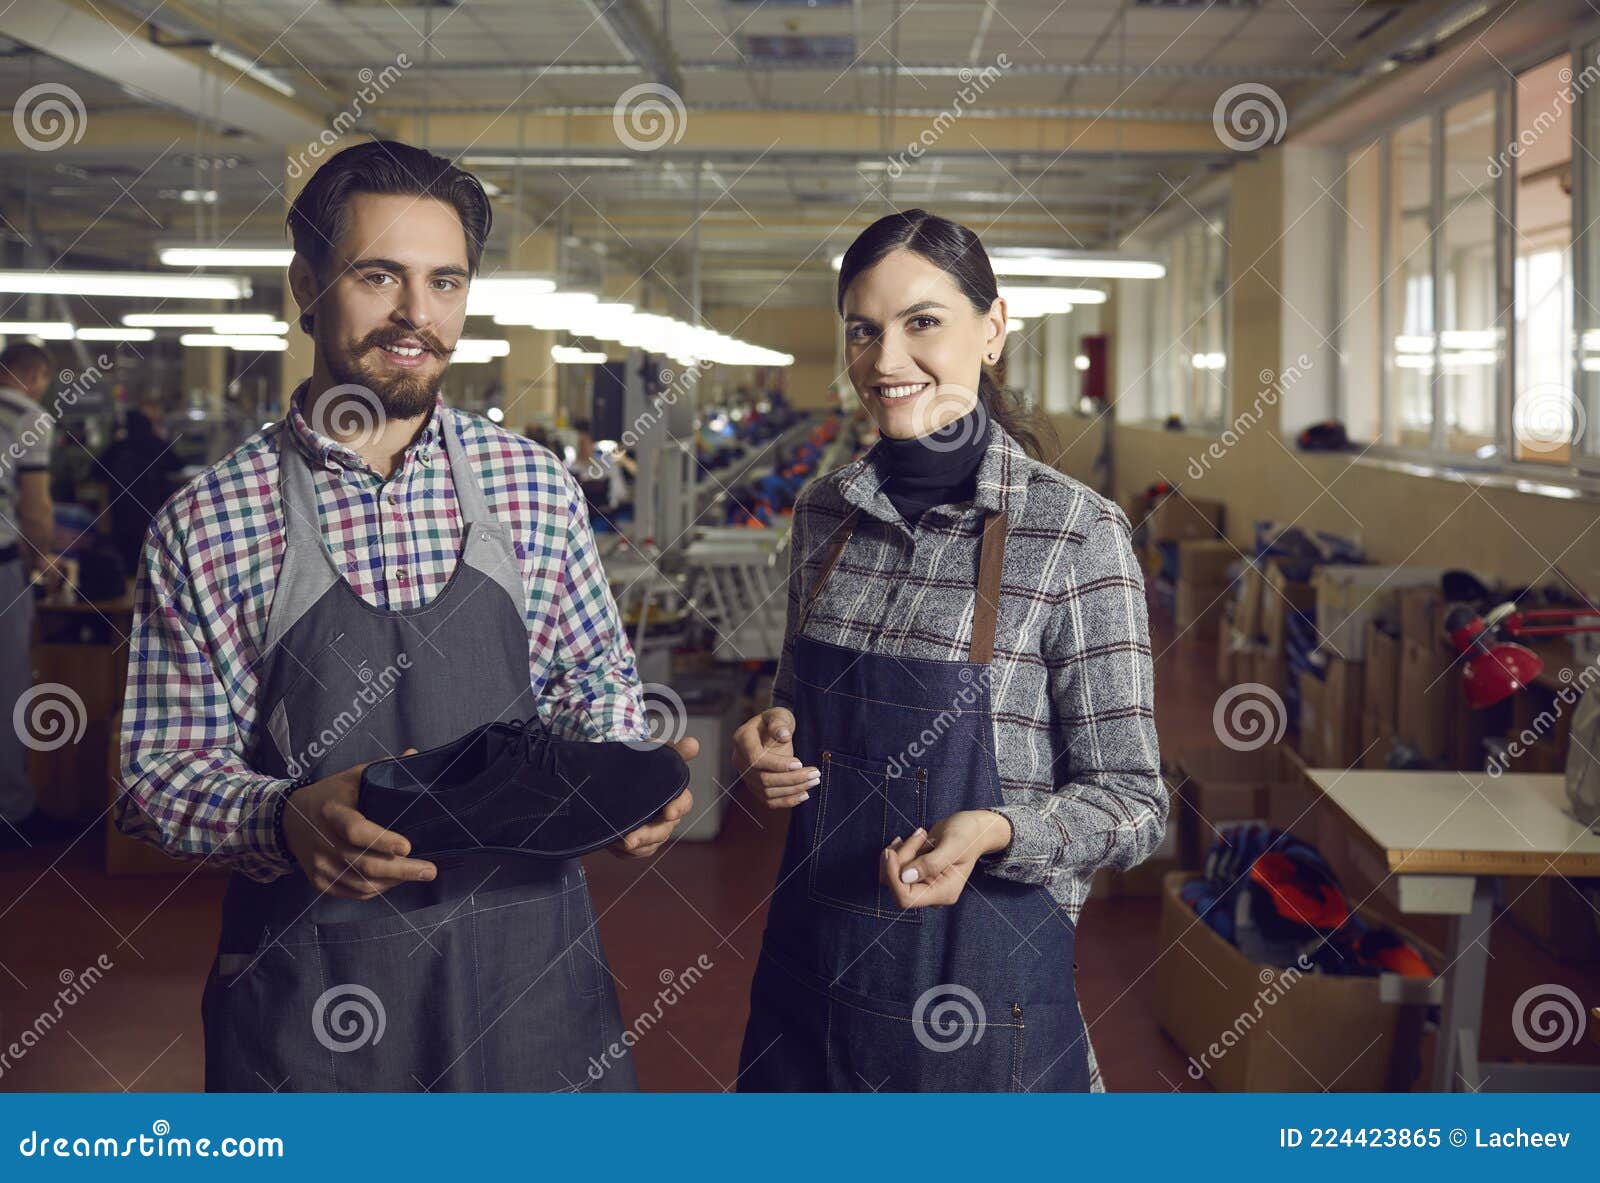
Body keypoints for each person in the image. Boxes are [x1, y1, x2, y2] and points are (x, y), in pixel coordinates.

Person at [115, 140, 697, 1092]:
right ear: (306, 280)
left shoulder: (533, 488)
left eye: (446, 281)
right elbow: (155, 774)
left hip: (531, 989)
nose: (416, 316)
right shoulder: (209, 521)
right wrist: (281, 815)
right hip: (316, 999)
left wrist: (624, 764)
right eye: (378, 275)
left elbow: (592, 679)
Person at [732, 209, 1166, 1093]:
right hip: (807, 985)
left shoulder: (1074, 534)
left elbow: (1135, 803)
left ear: (993, 328)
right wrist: (770, 739)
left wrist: (1001, 830)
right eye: (864, 329)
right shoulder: (824, 515)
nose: (886, 361)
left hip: (981, 1009)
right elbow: (794, 703)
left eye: (922, 321)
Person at [0, 340, 75, 853]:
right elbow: (35, 509)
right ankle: (13, 811)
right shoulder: (27, 417)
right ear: (32, 376)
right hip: (2, 567)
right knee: (8, 688)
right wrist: (43, 559)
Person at [92, 406, 182, 577]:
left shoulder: (118, 447)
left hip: (121, 512)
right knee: (148, 559)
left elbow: (95, 472)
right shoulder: (155, 444)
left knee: (126, 561)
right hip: (151, 511)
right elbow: (177, 464)